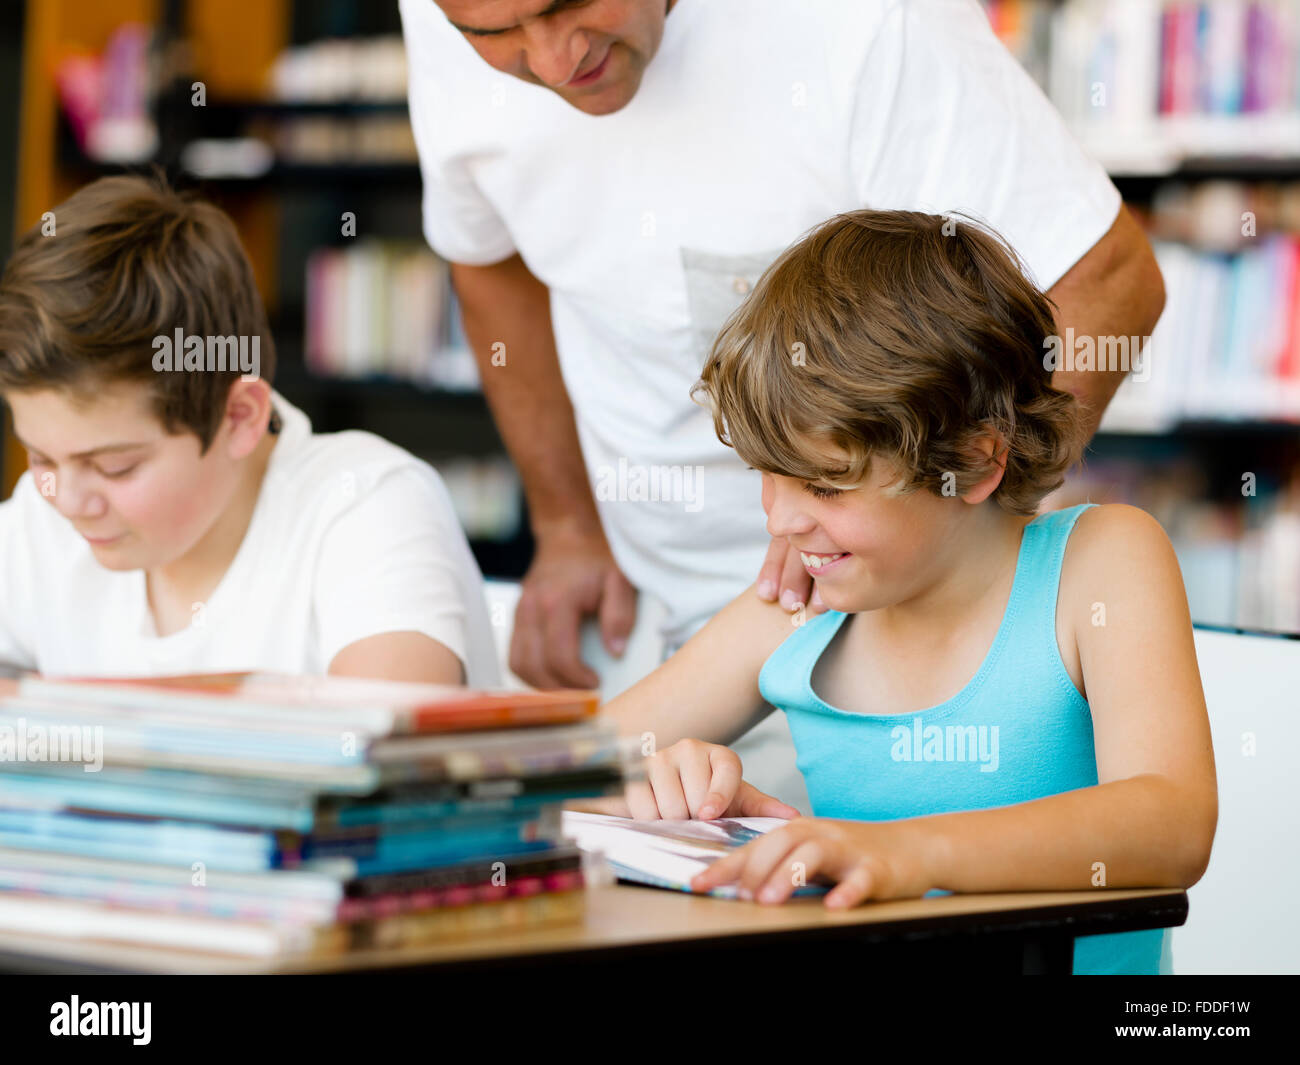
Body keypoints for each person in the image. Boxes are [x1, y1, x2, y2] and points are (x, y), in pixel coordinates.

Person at [399, 0, 1167, 807]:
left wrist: (952, 540)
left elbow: (1106, 279)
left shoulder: (870, 27)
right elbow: (484, 255)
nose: (553, 63)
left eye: (568, 4)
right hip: (715, 626)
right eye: (493, 35)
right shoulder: (780, 609)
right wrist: (566, 524)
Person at [587, 209, 1217, 975]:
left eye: (825, 483)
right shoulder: (794, 606)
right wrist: (657, 786)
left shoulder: (1100, 562)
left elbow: (1174, 823)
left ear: (978, 460)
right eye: (766, 476)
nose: (782, 520)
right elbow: (534, 784)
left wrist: (903, 850)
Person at [0, 174, 500, 687]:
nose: (68, 501)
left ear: (238, 417)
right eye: (41, 458)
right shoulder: (39, 524)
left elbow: (382, 735)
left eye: (114, 466)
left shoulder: (368, 506)